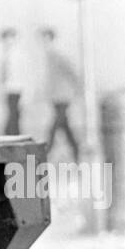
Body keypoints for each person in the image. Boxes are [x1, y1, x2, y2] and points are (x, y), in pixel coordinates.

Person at [38, 27, 81, 162]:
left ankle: (45, 153)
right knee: (64, 127)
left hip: (63, 97)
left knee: (55, 125)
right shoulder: (49, 57)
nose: (43, 43)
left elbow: (72, 72)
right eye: (42, 40)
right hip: (56, 98)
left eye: (45, 40)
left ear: (51, 39)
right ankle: (77, 152)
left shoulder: (58, 56)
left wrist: (78, 89)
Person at [0, 27, 27, 136]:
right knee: (13, 115)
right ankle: (10, 138)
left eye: (10, 38)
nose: (8, 41)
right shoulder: (4, 55)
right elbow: (2, 74)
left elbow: (23, 73)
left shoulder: (17, 55)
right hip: (9, 89)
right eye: (6, 38)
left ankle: (11, 138)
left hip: (17, 89)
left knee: (14, 116)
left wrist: (26, 92)